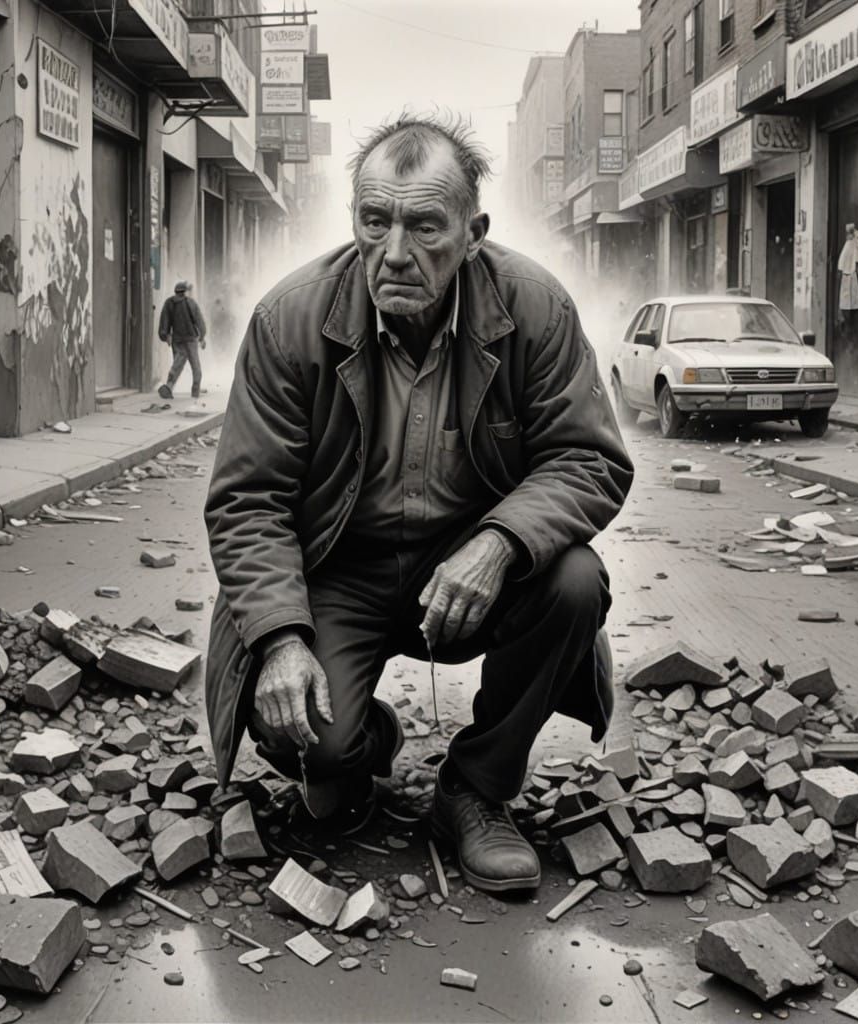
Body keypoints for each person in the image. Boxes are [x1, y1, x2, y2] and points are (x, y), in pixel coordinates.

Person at [203, 115, 634, 894]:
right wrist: (279, 639)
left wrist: (500, 542)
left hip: (476, 570)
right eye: (376, 221)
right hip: (341, 567)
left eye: (425, 225)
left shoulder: (534, 309)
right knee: (314, 748)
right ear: (356, 221)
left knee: (573, 579)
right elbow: (248, 501)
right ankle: (365, 745)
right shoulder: (289, 321)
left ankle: (475, 788)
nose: (394, 252)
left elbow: (590, 459)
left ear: (473, 233)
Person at [158, 280, 207, 399]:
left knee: (177, 364)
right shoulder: (191, 303)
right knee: (196, 366)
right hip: (191, 339)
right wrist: (202, 337)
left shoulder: (169, 303)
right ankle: (195, 392)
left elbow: (164, 321)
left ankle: (169, 386)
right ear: (185, 292)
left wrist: (166, 336)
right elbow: (199, 321)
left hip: (177, 340)